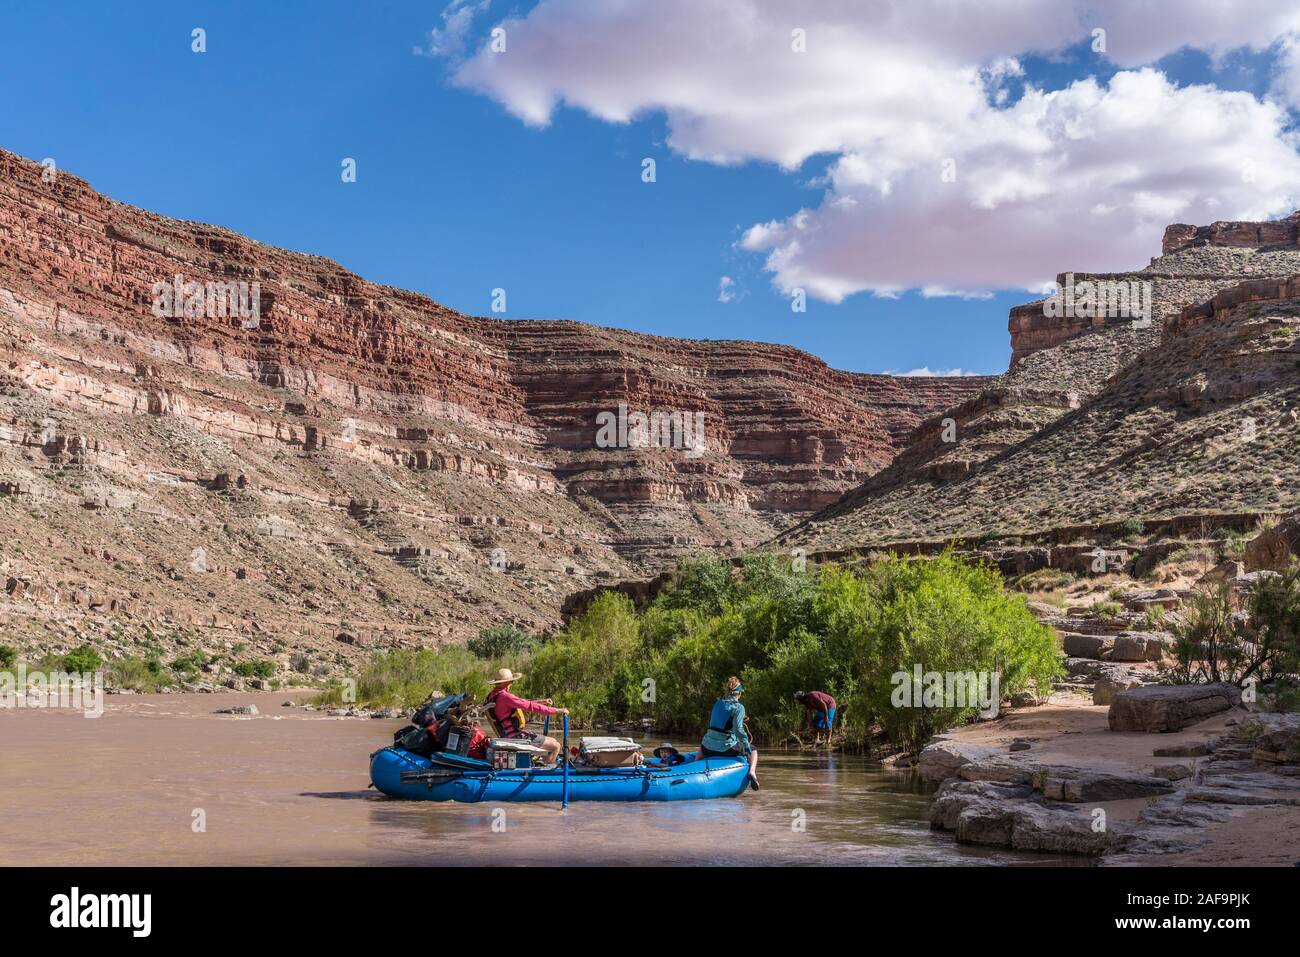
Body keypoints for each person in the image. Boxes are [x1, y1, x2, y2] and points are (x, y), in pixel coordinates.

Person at [483, 667, 568, 764]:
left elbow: (521, 703)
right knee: (556, 746)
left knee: (552, 740)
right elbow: (530, 706)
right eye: (511, 682)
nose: (511, 684)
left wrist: (541, 702)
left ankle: (541, 764)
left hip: (507, 734)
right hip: (516, 737)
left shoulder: (492, 696)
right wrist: (558, 710)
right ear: (506, 683)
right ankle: (546, 770)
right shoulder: (505, 696)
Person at [700, 676, 759, 791]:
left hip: (707, 747)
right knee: (754, 750)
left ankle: (694, 764)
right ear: (740, 693)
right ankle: (752, 772)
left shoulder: (717, 703)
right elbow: (738, 730)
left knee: (705, 742)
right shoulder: (739, 707)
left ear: (728, 692)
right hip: (725, 748)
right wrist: (746, 746)